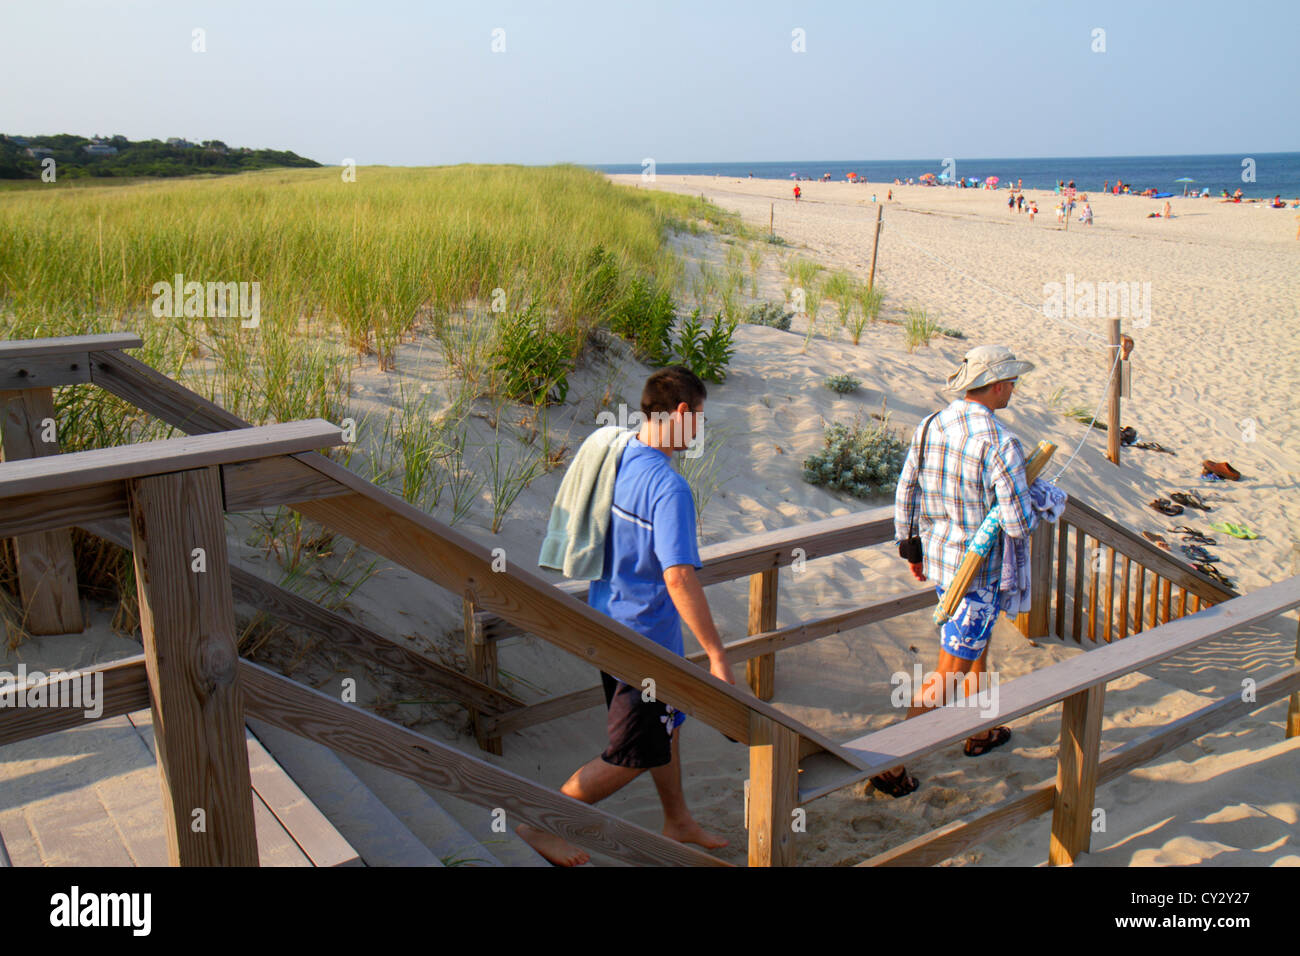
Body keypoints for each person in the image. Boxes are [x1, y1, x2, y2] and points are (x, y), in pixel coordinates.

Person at [517, 366, 734, 865]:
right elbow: (678, 576)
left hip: (607, 621)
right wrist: (718, 656)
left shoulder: (618, 455)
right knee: (632, 753)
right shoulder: (669, 488)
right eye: (700, 418)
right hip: (643, 644)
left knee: (665, 725)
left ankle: (677, 819)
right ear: (681, 413)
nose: (700, 430)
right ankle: (539, 824)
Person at [870, 346, 1037, 796]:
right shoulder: (1000, 442)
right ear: (998, 385)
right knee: (951, 667)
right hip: (978, 573)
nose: (1015, 388)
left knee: (973, 647)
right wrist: (1040, 499)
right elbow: (1019, 522)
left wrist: (911, 548)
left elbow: (907, 490)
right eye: (1012, 382)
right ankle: (890, 761)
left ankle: (981, 728)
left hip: (944, 563)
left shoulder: (930, 425)